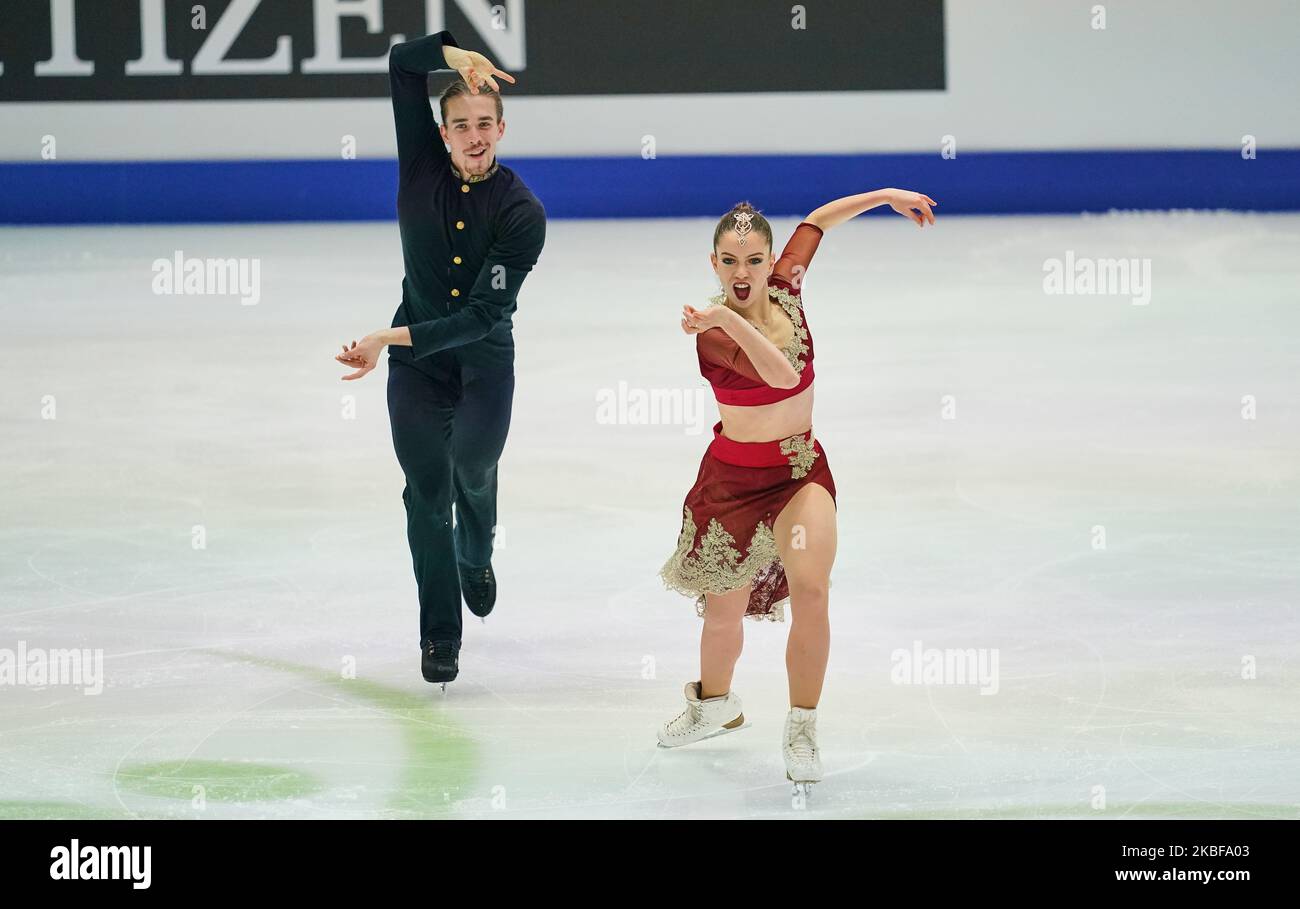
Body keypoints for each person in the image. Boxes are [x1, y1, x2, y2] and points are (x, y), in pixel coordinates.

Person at [657, 191, 937, 793]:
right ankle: (714, 704)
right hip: (731, 482)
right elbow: (781, 376)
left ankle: (802, 725)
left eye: (755, 260)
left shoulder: (785, 289)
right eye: (730, 262)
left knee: (812, 590)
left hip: (799, 472)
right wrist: (727, 318)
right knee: (723, 613)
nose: (744, 274)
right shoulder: (711, 336)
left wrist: (887, 197)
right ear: (714, 264)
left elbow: (816, 222)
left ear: (769, 260)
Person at [334, 31, 546, 689]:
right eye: (461, 124)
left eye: (485, 123)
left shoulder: (521, 213)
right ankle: (440, 636)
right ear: (444, 131)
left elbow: (482, 316)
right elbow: (401, 64)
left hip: (484, 365)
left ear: (501, 128)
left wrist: (386, 337)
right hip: (419, 373)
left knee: (473, 472)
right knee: (426, 494)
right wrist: (451, 55)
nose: (474, 134)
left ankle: (476, 552)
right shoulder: (419, 163)